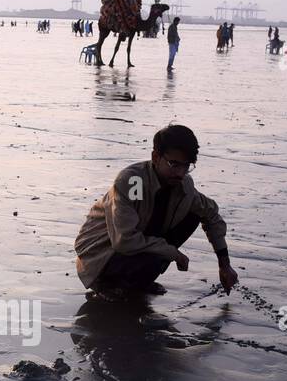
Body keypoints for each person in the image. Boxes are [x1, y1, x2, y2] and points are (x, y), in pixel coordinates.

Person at [74, 124, 237, 297]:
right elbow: (125, 240)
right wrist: (172, 252)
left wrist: (224, 265)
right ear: (155, 157)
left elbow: (211, 214)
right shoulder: (133, 182)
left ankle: (139, 282)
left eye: (186, 165)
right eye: (174, 164)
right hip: (99, 255)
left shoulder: (183, 184)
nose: (181, 173)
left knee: (193, 214)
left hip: (137, 242)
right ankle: (108, 284)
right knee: (146, 244)